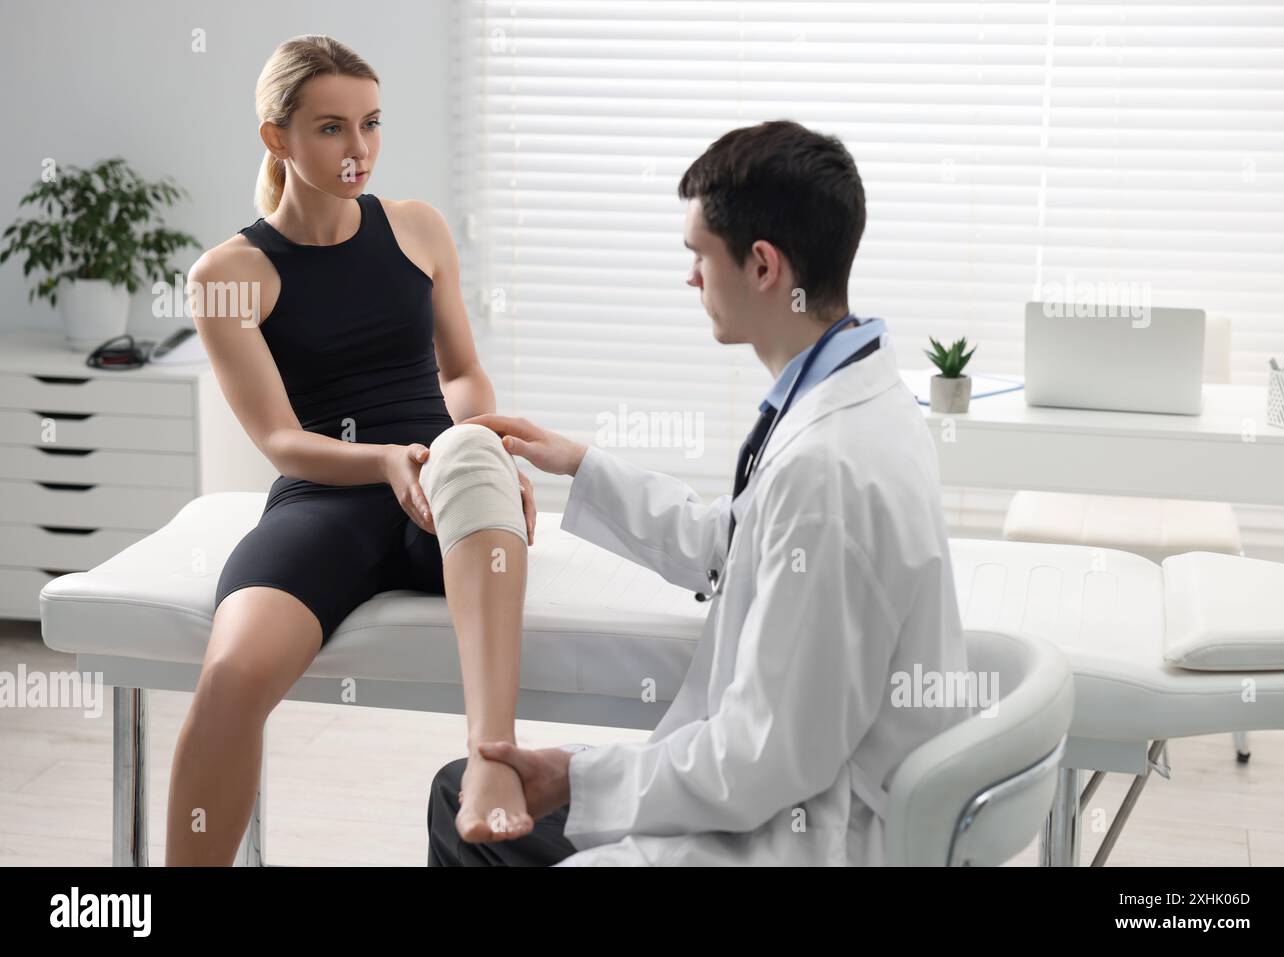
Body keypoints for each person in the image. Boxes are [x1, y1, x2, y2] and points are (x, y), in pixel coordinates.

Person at [427, 119, 970, 866]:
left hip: (803, 831)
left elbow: (766, 758)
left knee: (480, 819)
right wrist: (580, 464)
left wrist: (575, 777)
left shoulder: (827, 469)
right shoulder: (853, 390)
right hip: (788, 790)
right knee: (459, 791)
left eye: (698, 256)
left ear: (763, 266)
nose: (690, 278)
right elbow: (741, 539)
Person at [169, 35, 540, 864]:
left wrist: (469, 449)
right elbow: (277, 438)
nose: (359, 149)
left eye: (370, 124)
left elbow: (466, 373)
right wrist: (380, 460)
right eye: (332, 128)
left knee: (475, 452)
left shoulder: (417, 228)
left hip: (441, 483)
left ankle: (491, 764)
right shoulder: (230, 273)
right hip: (326, 497)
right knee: (230, 676)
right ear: (278, 137)